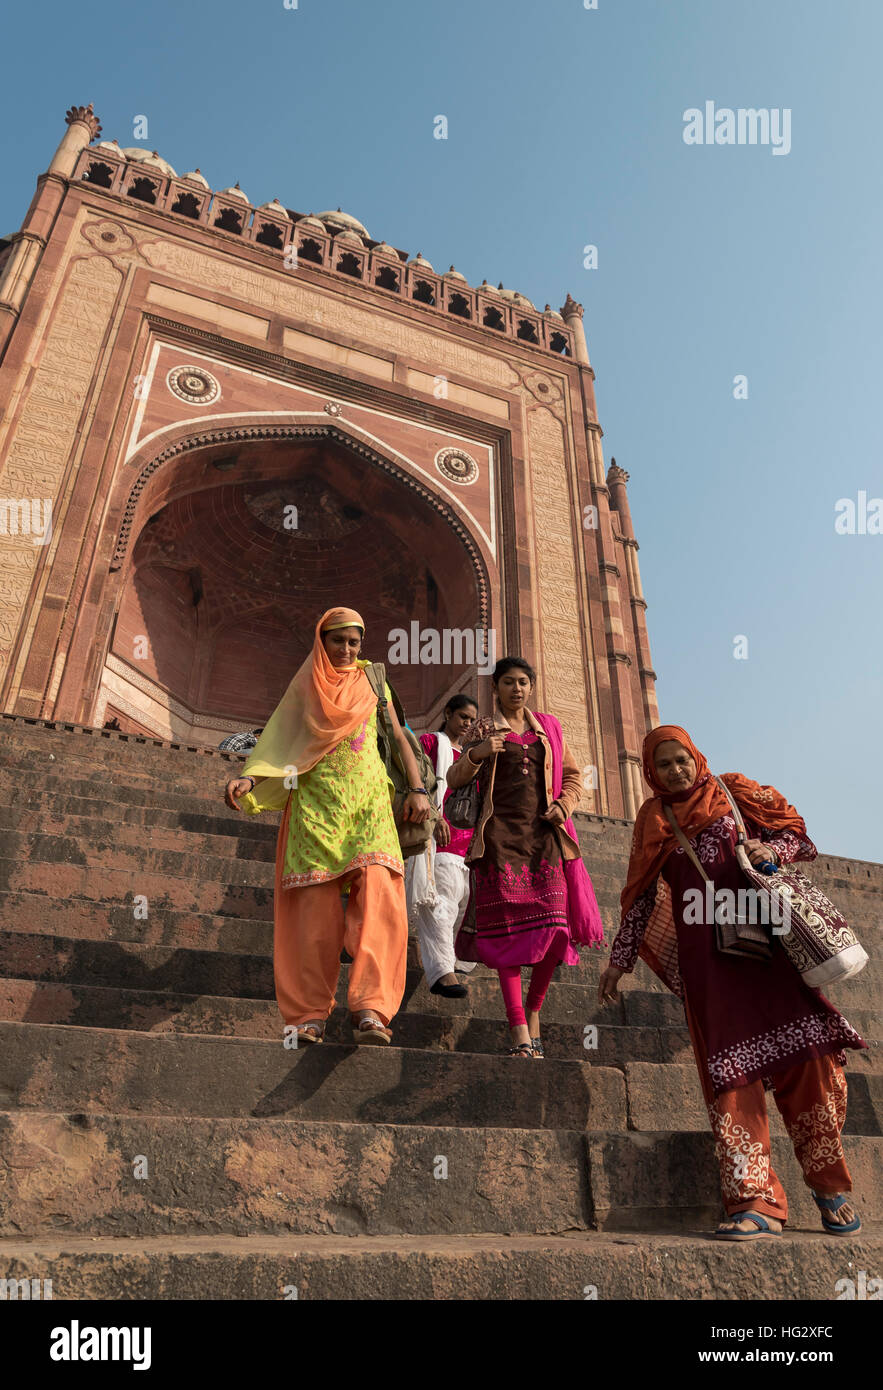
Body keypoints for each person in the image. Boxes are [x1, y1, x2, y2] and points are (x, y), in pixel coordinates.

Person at [599, 724, 866, 1240]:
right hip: (709, 966)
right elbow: (640, 899)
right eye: (663, 765)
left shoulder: (731, 790)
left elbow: (798, 835)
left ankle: (829, 1188)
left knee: (807, 1058)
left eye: (681, 760)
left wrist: (773, 854)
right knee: (731, 1075)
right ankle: (755, 1201)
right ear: (649, 774)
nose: (675, 771)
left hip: (767, 948)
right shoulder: (653, 819)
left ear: (695, 757)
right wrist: (619, 960)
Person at [224, 607, 432, 1046]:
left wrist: (418, 790)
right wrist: (250, 777)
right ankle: (308, 1015)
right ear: (323, 641)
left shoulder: (373, 680)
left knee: (380, 890)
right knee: (313, 906)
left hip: (369, 799)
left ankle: (372, 1008)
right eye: (338, 640)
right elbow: (280, 739)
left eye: (354, 641)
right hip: (315, 800)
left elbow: (397, 736)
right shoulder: (306, 685)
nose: (347, 649)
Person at [448, 656, 604, 1057]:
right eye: (508, 683)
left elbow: (572, 776)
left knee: (555, 931)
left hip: (543, 839)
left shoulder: (549, 728)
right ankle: (518, 1026)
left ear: (531, 688)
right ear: (495, 689)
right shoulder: (483, 728)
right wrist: (479, 752)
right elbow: (453, 780)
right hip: (497, 840)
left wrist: (565, 806)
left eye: (523, 682)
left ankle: (533, 1011)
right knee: (507, 936)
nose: (516, 689)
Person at [406, 693, 479, 998]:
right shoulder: (431, 744)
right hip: (441, 839)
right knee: (439, 904)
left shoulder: (474, 755)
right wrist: (435, 818)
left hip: (471, 844)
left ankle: (459, 963)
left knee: (464, 906)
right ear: (448, 713)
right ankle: (441, 973)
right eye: (463, 717)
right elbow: (418, 782)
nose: (467, 724)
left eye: (472, 720)